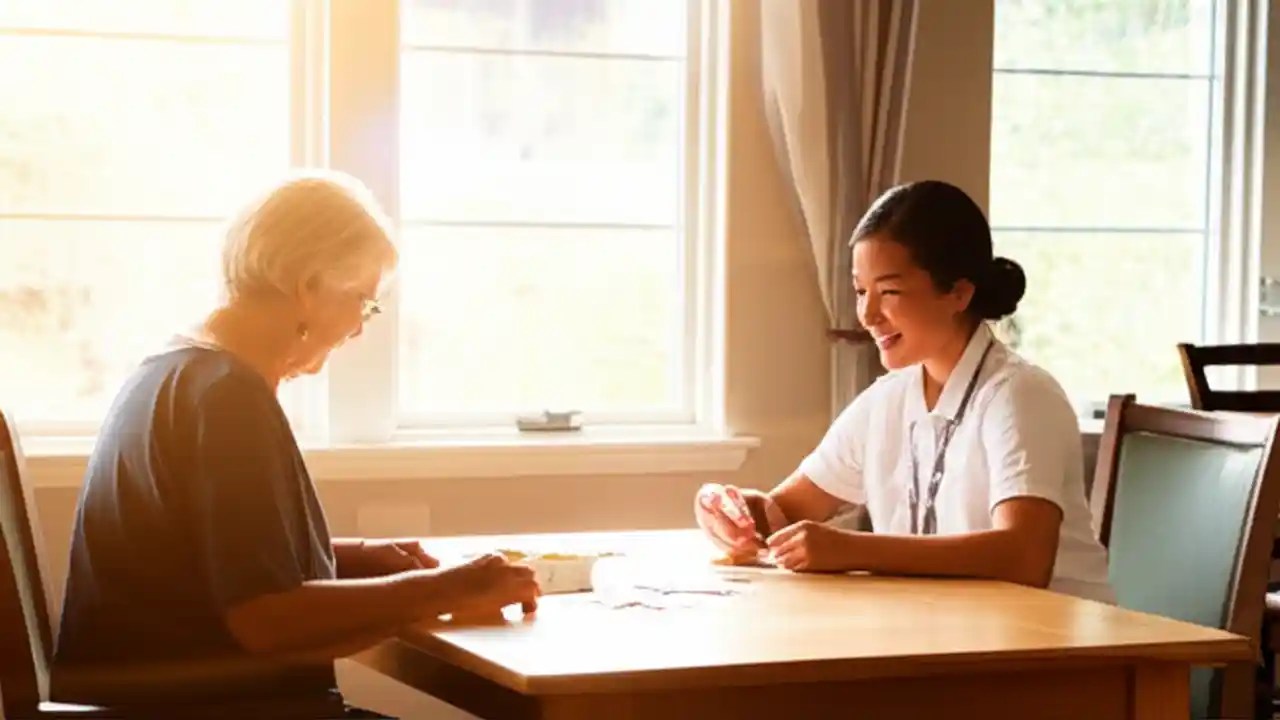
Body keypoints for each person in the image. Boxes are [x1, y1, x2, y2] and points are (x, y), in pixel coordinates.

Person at [55, 171, 540, 715]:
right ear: (308, 286)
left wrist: (357, 558)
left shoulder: (171, 370)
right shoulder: (229, 397)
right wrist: (454, 587)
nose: (360, 328)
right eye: (364, 301)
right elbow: (266, 620)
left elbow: (213, 564)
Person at [695, 180, 1113, 603]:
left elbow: (1024, 557)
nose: (868, 314)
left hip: (1058, 646)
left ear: (958, 293)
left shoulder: (1020, 395)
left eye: (889, 291)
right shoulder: (888, 400)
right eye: (861, 291)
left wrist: (850, 549)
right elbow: (784, 512)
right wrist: (735, 513)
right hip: (955, 636)